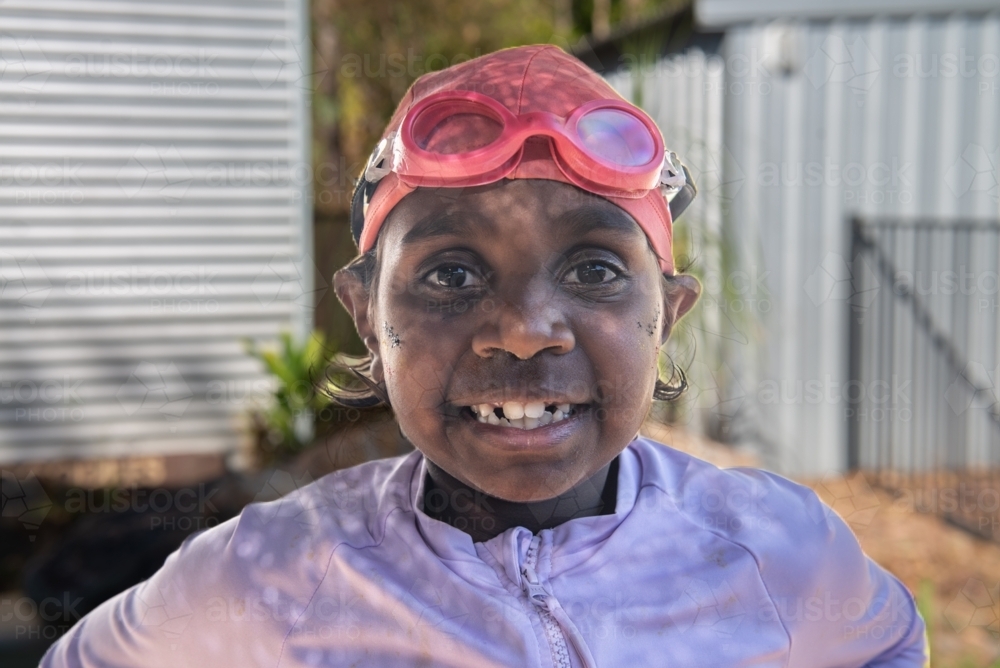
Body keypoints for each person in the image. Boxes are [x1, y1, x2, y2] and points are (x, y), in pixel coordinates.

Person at [43, 45, 928, 667]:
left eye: (593, 268)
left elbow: (886, 643)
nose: (524, 329)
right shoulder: (272, 574)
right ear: (364, 313)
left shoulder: (773, 552)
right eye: (451, 273)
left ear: (669, 312)